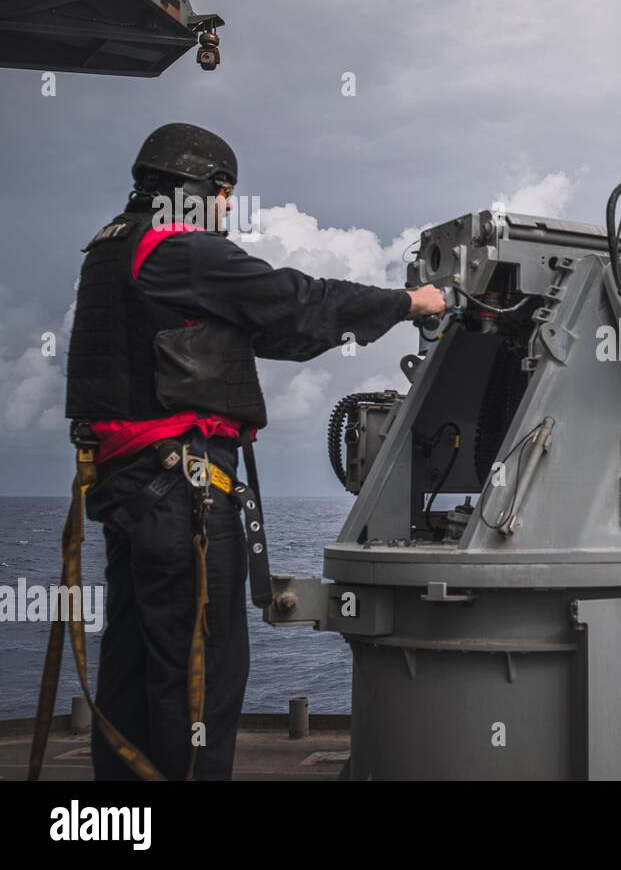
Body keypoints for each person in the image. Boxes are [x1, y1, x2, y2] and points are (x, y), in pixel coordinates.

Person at [61, 122, 444, 779]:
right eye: (222, 197)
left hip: (130, 491)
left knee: (133, 664)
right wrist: (410, 302)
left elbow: (279, 331)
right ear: (200, 189)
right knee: (199, 672)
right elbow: (296, 303)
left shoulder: (112, 248)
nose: (224, 213)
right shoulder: (178, 249)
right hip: (181, 493)